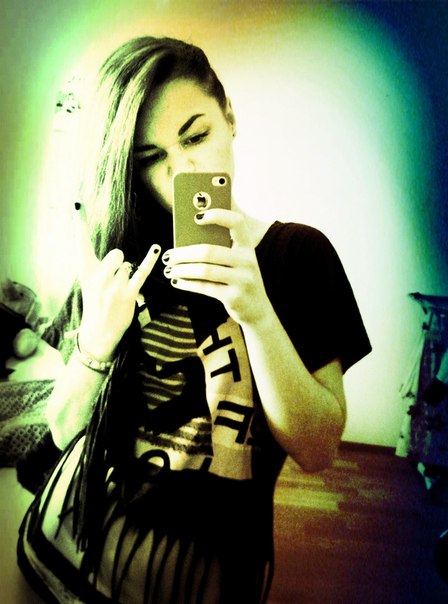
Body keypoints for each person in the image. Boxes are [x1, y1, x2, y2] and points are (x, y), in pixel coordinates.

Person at [17, 36, 372, 603]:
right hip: (55, 555)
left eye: (196, 136)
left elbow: (317, 448)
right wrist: (94, 346)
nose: (182, 169)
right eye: (149, 158)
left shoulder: (300, 255)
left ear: (229, 118)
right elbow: (60, 428)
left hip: (197, 584)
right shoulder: (121, 256)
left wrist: (257, 315)